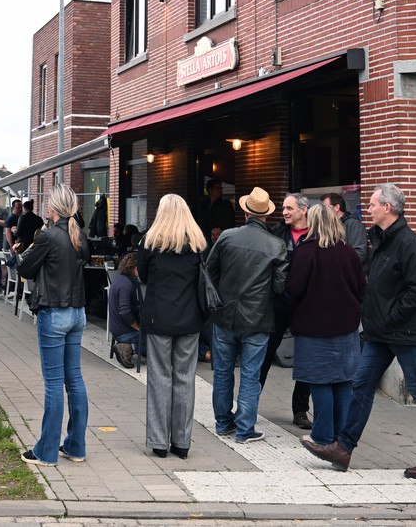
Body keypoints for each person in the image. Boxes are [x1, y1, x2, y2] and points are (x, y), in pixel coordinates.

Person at [333, 184, 416, 479]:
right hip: (381, 333)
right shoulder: (383, 239)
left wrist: (389, 318)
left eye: (372, 204)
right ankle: (343, 448)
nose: (367, 209)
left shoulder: (408, 242)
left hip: (403, 333)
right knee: (361, 385)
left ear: (388, 208)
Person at [205, 186, 288, 444]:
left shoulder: (227, 237)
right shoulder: (276, 244)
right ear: (266, 216)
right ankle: (244, 430)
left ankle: (222, 423)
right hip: (258, 319)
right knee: (250, 376)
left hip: (224, 316)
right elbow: (280, 286)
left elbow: (209, 273)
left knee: (222, 372)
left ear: (245, 212)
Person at [16, 184, 90, 466]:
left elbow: (24, 268)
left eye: (48, 203)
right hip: (78, 313)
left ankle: (46, 452)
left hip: (54, 313)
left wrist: (18, 252)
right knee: (75, 379)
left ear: (55, 207)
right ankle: (76, 446)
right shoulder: (79, 236)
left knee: (53, 384)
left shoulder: (47, 236)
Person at [289, 204, 366, 468]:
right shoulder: (349, 253)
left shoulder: (306, 252)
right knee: (344, 382)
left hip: (314, 329)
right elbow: (361, 289)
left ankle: (322, 437)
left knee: (319, 381)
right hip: (346, 328)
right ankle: (341, 441)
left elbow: (293, 288)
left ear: (312, 223)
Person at [136, 194, 206, 459]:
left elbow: (142, 275)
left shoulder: (150, 242)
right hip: (190, 319)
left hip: (158, 318)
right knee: (185, 379)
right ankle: (182, 442)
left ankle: (158, 442)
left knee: (159, 378)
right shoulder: (198, 244)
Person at [264, 192, 313, 430]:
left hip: (306, 304)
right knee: (265, 352)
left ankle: (300, 410)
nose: (284, 212)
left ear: (304, 210)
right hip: (279, 302)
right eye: (284, 208)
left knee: (306, 357)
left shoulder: (316, 234)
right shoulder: (277, 233)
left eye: (289, 208)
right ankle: (250, 404)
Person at [107, 252, 142, 368]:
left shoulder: (121, 280)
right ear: (135, 267)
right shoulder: (126, 284)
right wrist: (138, 328)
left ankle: (128, 346)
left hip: (119, 329)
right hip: (124, 332)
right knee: (158, 341)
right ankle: (130, 347)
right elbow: (125, 312)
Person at [322, 191, 368, 265]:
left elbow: (359, 254)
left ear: (337, 207)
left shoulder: (354, 224)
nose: (322, 212)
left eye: (325, 208)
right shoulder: (326, 227)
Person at [196, 179, 235, 243]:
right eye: (217, 188)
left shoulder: (225, 205)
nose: (220, 191)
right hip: (205, 239)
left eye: (221, 188)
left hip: (220, 239)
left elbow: (229, 223)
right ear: (210, 190)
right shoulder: (204, 205)